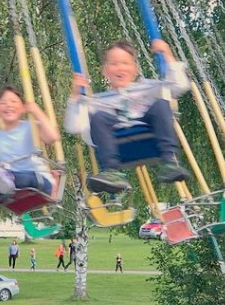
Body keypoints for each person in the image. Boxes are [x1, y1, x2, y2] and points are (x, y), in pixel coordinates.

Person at [65, 39, 190, 194]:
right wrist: (75, 95)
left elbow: (180, 86)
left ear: (135, 69)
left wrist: (167, 54)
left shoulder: (148, 88)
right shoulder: (96, 101)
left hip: (147, 129)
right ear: (104, 70)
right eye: (114, 64)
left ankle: (169, 161)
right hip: (116, 139)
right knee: (98, 117)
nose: (120, 68)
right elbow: (73, 127)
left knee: (161, 104)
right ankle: (111, 172)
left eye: (125, 63)